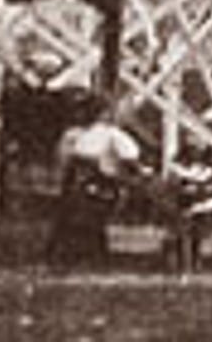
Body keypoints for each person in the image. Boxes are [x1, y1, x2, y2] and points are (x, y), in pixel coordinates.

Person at [48, 94, 142, 263]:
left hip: (76, 186)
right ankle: (91, 252)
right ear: (105, 114)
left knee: (73, 216)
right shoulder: (110, 134)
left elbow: (63, 159)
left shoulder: (75, 135)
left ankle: (67, 252)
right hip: (98, 185)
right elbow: (131, 156)